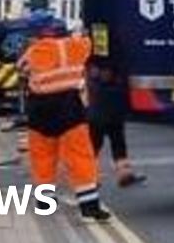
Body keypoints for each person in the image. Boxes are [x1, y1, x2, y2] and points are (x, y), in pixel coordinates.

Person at [19, 27, 109, 221]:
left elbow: (22, 69)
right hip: (69, 108)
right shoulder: (77, 46)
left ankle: (45, 203)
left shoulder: (34, 50)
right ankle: (89, 207)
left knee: (42, 158)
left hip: (40, 110)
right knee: (81, 157)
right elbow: (90, 45)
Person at [85, 56, 146, 188]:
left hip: (98, 112)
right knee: (114, 143)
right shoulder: (114, 75)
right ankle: (121, 175)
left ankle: (92, 178)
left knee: (98, 145)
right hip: (111, 112)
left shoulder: (94, 77)